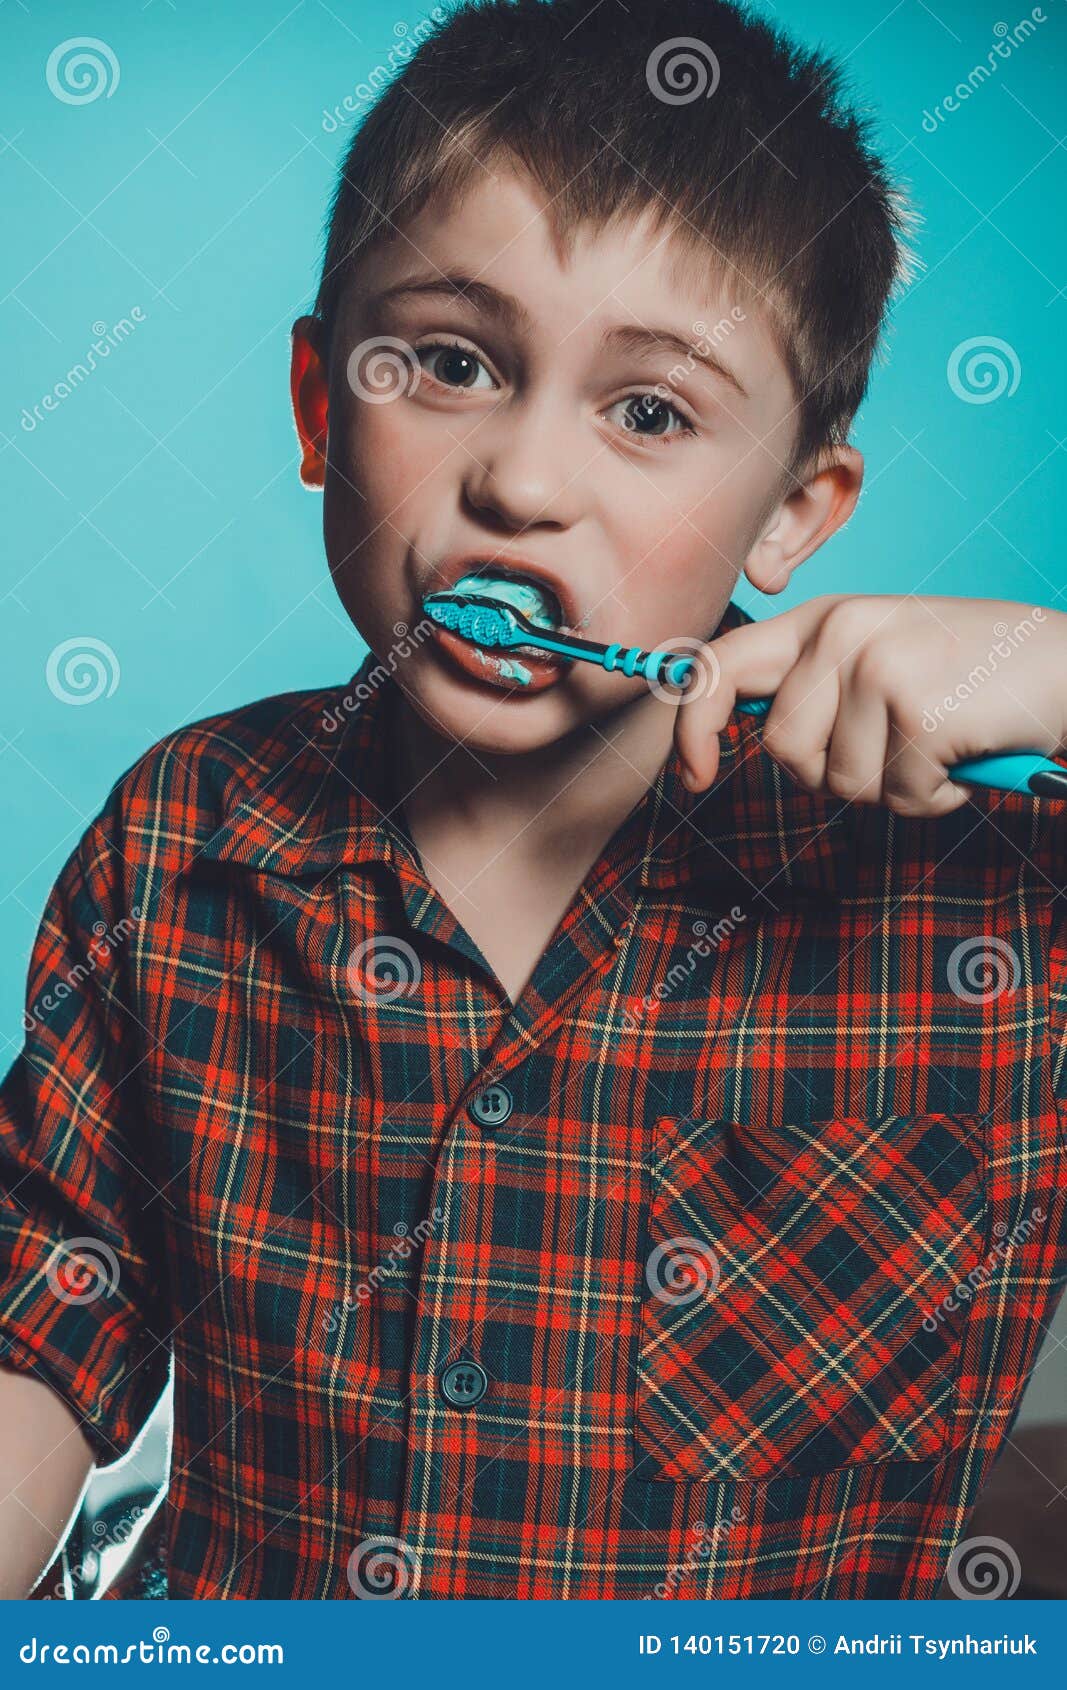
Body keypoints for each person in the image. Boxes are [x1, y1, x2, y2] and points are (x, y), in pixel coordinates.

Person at [2, 0, 1065, 1600]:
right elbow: (41, 1325)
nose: (521, 482)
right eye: (450, 364)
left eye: (651, 412)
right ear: (319, 403)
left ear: (796, 510)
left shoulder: (994, 892)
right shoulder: (183, 842)